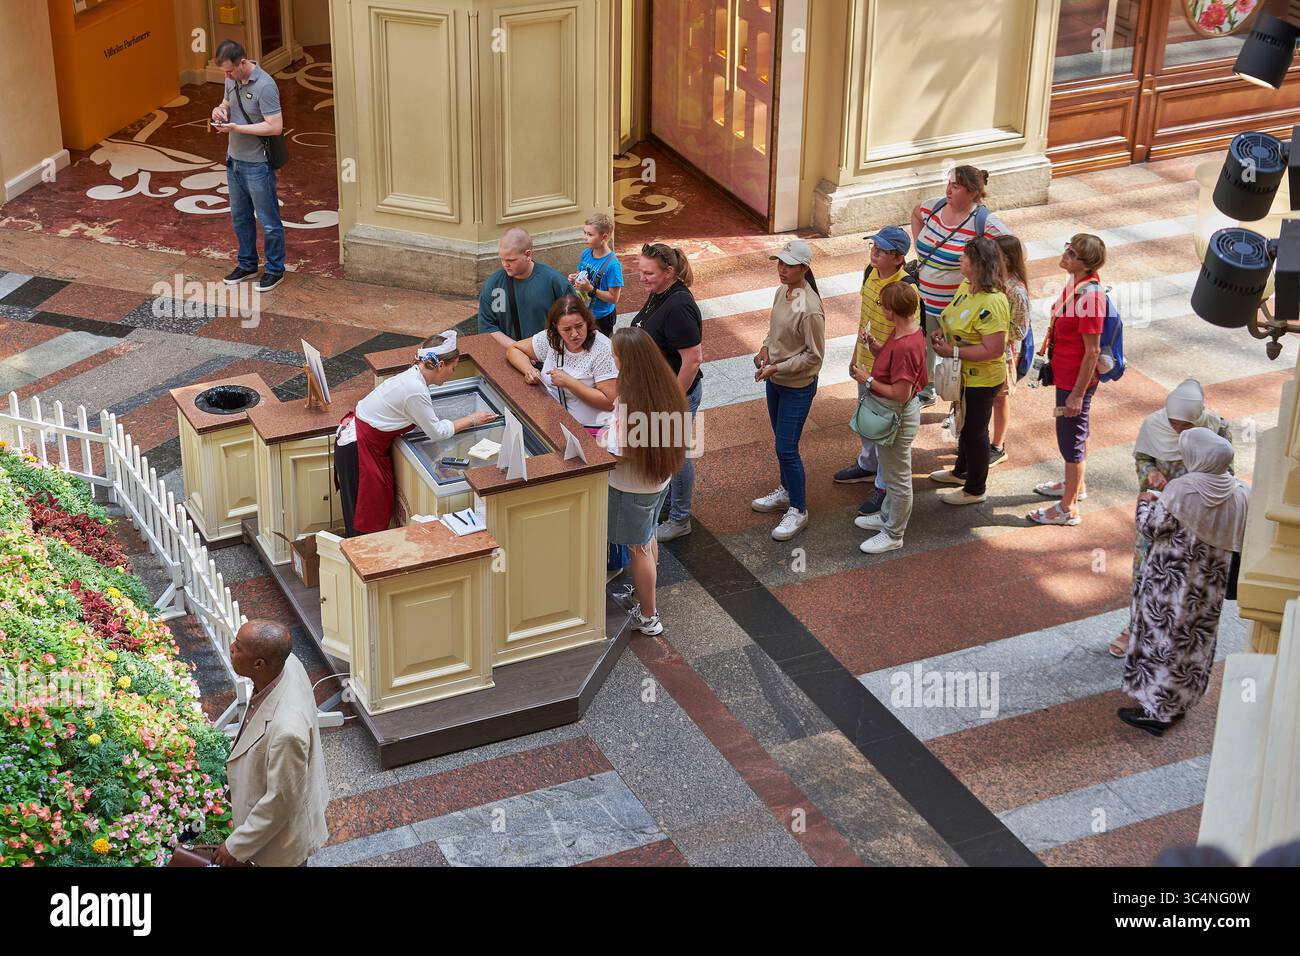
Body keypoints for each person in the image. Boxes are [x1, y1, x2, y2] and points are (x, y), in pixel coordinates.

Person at [1119, 428, 1248, 737]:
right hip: (1208, 587)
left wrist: (1144, 502)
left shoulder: (1183, 489)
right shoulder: (1242, 492)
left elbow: (1151, 527)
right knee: (1192, 643)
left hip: (1169, 585)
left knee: (1161, 640)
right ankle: (1177, 704)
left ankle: (1156, 711)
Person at [1109, 379, 1234, 657]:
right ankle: (1135, 627)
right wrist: (1150, 474)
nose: (1177, 430)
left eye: (1185, 426)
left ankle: (1171, 634)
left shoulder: (1218, 429)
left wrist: (1197, 486)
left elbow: (1227, 471)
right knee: (1144, 574)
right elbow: (1142, 457)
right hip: (1159, 510)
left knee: (1183, 581)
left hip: (1196, 519)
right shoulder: (1154, 425)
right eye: (1173, 422)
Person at [334, 332, 498, 535]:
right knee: (362, 520)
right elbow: (437, 432)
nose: (452, 374)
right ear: (440, 365)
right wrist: (473, 419)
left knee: (365, 514)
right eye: (452, 368)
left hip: (360, 442)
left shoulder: (413, 377)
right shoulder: (416, 390)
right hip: (357, 450)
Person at [213, 619, 328, 866]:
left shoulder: (287, 732)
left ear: (259, 664)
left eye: (239, 647)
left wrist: (235, 847)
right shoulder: (289, 664)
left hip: (281, 847)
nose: (232, 648)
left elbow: (281, 802)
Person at [605, 327, 689, 636]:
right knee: (647, 537)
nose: (612, 361)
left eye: (615, 357)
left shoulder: (632, 398)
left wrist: (598, 450)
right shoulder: (663, 386)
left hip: (631, 487)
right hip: (656, 481)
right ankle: (643, 600)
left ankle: (649, 616)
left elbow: (624, 453)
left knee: (637, 548)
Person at [1027, 233, 1107, 527]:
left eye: (1072, 253)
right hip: (1067, 374)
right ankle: (1076, 486)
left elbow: (1092, 351)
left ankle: (1068, 507)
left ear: (1086, 264)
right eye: (1067, 249)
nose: (1066, 255)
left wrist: (1076, 394)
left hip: (1075, 380)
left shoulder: (1090, 297)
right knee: (1074, 435)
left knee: (1071, 438)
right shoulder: (1077, 285)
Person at [910, 166, 1007, 405]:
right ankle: (928, 388)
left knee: (956, 355)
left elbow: (1014, 248)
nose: (948, 190)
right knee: (926, 346)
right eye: (949, 184)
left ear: (973, 192)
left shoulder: (982, 221)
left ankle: (958, 405)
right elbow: (915, 214)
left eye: (955, 186)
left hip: (956, 306)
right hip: (925, 298)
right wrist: (921, 249)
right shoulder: (935, 206)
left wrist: (988, 274)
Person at [834, 225, 912, 517]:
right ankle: (867, 464)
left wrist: (883, 363)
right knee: (866, 416)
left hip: (888, 369)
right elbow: (864, 317)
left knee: (884, 426)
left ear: (898, 257)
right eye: (874, 247)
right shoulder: (869, 273)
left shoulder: (905, 288)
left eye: (882, 250)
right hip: (865, 361)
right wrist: (857, 354)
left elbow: (906, 333)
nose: (874, 252)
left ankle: (883, 484)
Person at [751, 240, 826, 541]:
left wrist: (778, 368)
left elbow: (814, 356)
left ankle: (798, 508)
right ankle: (786, 490)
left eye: (789, 265)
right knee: (781, 443)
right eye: (780, 263)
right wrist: (764, 350)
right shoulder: (781, 292)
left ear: (804, 269)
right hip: (776, 381)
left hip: (796, 386)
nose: (782, 269)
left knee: (786, 447)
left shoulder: (810, 308)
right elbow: (774, 331)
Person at [928, 237, 1010, 506]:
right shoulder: (966, 286)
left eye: (965, 257)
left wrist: (953, 351)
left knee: (975, 431)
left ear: (979, 264)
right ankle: (960, 472)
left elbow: (993, 349)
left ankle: (975, 489)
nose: (960, 260)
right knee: (963, 424)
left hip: (982, 379)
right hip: (962, 374)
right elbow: (953, 313)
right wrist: (944, 330)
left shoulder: (993, 302)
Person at [631, 243, 704, 542]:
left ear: (669, 272)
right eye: (641, 272)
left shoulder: (679, 306)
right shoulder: (659, 294)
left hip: (676, 394)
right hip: (658, 392)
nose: (642, 279)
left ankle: (679, 518)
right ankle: (668, 506)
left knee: (678, 456)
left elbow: (693, 359)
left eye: (648, 273)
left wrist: (672, 400)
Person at [852, 282, 928, 554]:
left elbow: (900, 392)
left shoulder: (906, 345)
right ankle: (886, 516)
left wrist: (867, 379)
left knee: (897, 479)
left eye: (882, 304)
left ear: (893, 310)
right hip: (893, 414)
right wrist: (874, 345)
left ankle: (894, 533)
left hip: (895, 415)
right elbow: (888, 360)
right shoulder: (906, 330)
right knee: (893, 472)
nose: (880, 308)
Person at [210, 39, 286, 294]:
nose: (227, 76)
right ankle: (247, 264)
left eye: (230, 70)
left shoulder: (265, 86)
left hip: (258, 164)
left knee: (268, 220)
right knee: (240, 217)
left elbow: (275, 126)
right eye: (224, 72)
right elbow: (227, 104)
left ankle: (275, 269)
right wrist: (219, 112)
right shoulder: (230, 79)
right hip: (234, 160)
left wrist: (237, 128)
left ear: (243, 62)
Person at [506, 295, 618, 434]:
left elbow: (610, 403)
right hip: (554, 422)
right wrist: (529, 370)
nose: (574, 334)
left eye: (579, 326)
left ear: (588, 322)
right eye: (567, 329)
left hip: (592, 430)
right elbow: (514, 350)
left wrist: (570, 383)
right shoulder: (551, 338)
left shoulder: (603, 349)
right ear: (556, 327)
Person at [478, 228, 576, 347]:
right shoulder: (494, 284)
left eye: (511, 260)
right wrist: (519, 349)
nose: (505, 265)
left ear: (528, 254)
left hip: (548, 356)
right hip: (508, 355)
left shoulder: (554, 281)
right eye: (502, 259)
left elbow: (574, 320)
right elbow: (488, 326)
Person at [991, 234, 1031, 468]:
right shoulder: (993, 280)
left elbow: (1020, 329)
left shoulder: (1016, 290)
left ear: (1006, 258)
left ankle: (997, 445)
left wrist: (993, 331)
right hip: (984, 349)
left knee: (999, 399)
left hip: (1002, 353)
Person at [570, 213, 624, 337]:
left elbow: (614, 298)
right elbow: (581, 272)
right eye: (584, 233)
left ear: (604, 237)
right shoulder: (586, 253)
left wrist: (590, 289)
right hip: (584, 312)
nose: (585, 237)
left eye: (590, 234)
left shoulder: (613, 266)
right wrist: (575, 278)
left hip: (602, 317)